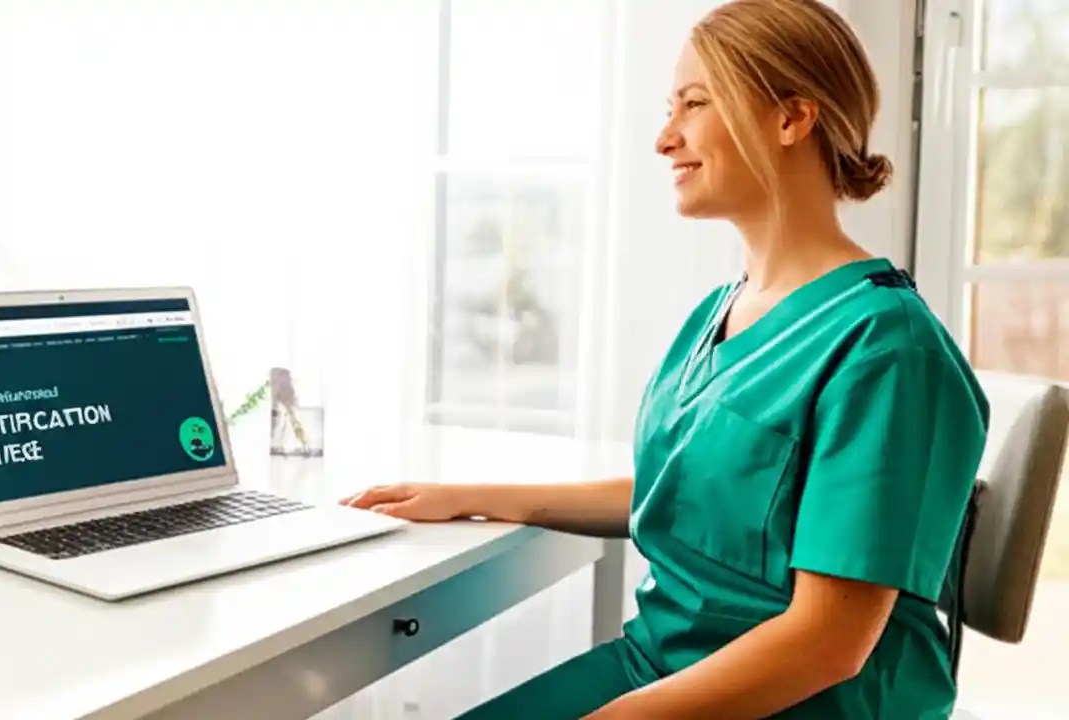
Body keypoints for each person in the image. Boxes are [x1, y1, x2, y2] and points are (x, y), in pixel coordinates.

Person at [343, 0, 990, 717]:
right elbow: (692, 492)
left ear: (790, 119)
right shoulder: (726, 307)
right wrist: (482, 495)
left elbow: (828, 642)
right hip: (659, 664)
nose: (663, 137)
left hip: (797, 701)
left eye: (694, 103)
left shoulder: (888, 348)